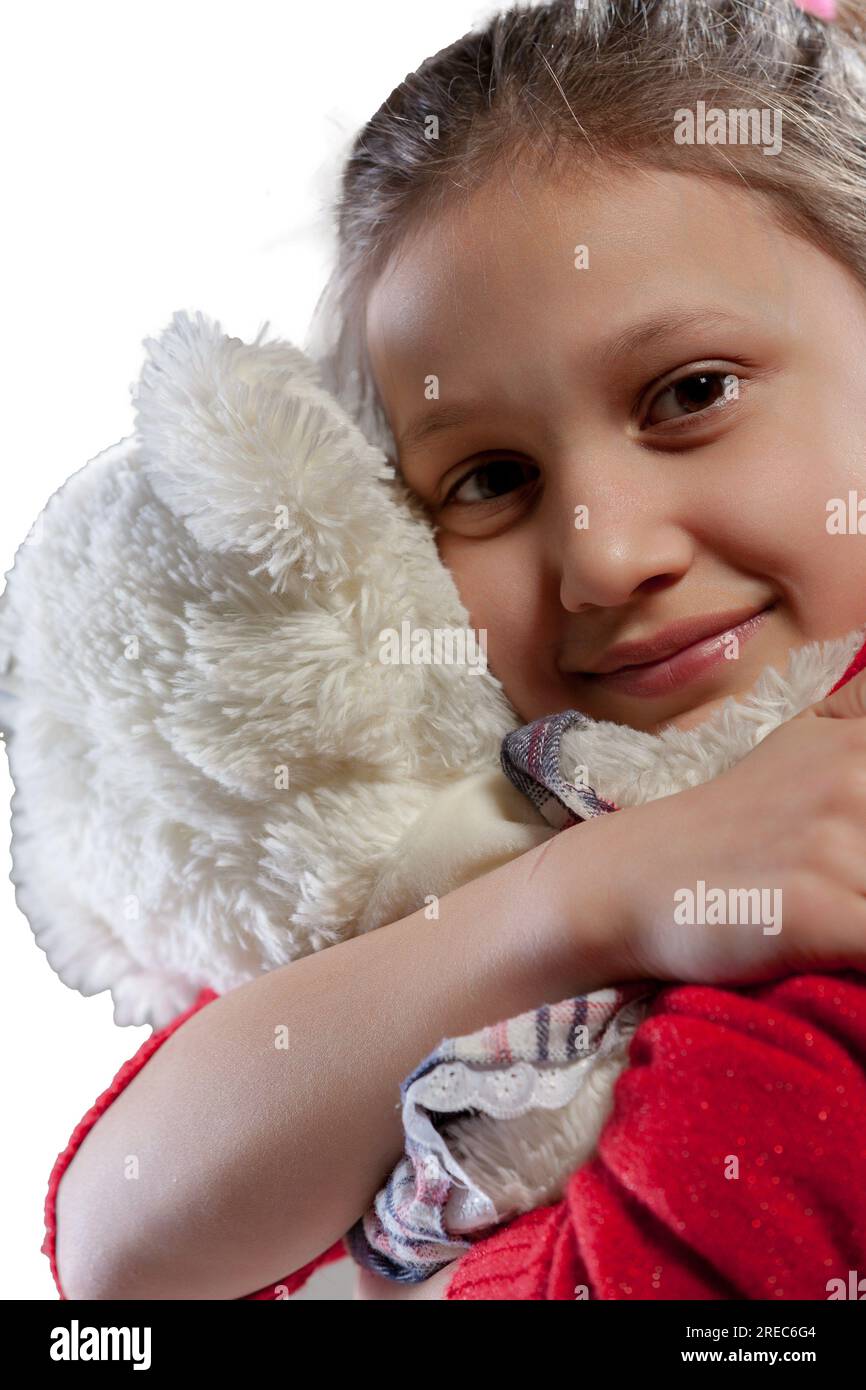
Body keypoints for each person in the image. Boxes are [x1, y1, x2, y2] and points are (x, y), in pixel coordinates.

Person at [50, 0, 866, 1299]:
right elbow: (119, 1242)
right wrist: (592, 891)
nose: (603, 556)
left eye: (691, 391)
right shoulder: (494, 815)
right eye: (487, 477)